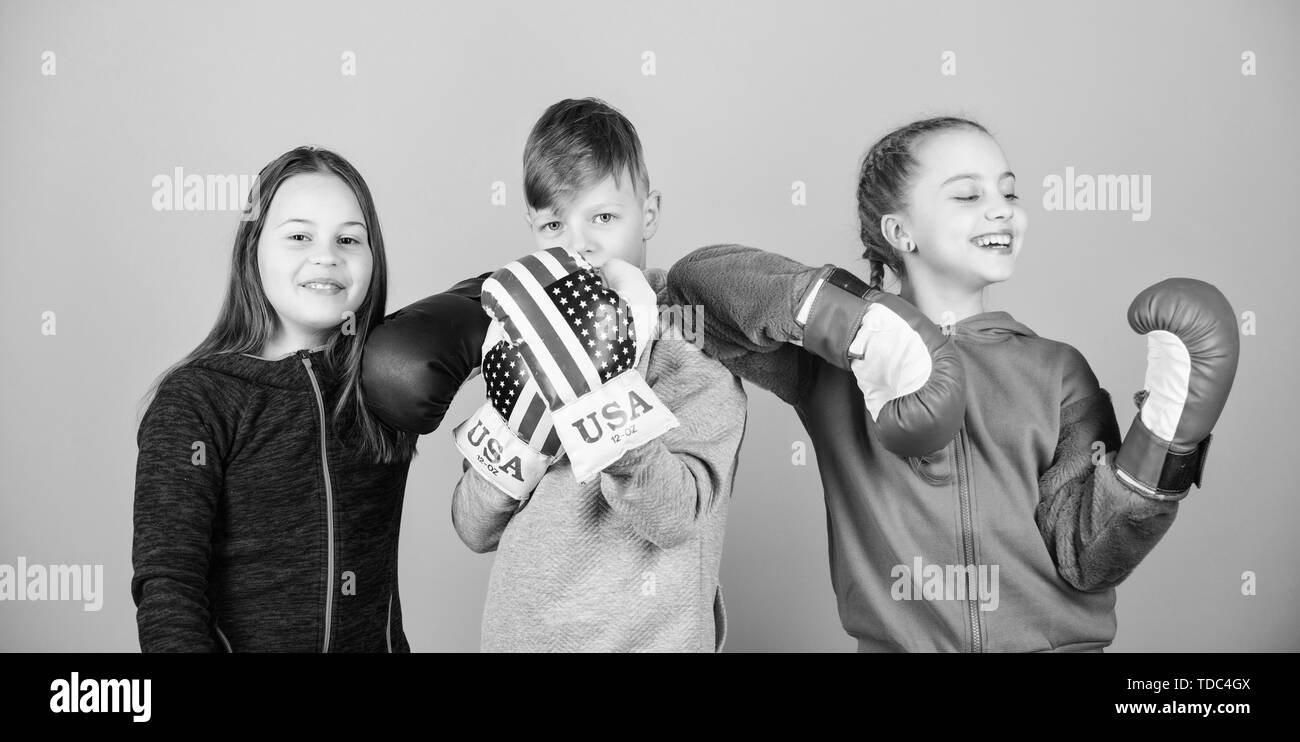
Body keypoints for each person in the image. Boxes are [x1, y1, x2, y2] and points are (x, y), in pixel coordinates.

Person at [667, 117, 1239, 652]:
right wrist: (862, 326)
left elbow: (1087, 559)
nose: (1001, 211)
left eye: (1009, 193)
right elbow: (695, 286)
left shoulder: (1059, 369)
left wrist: (1162, 447)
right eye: (968, 195)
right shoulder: (831, 366)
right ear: (900, 231)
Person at [132, 146, 485, 652]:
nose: (327, 256)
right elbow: (169, 585)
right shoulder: (197, 399)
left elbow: (504, 300)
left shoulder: (384, 379)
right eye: (299, 236)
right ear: (253, 247)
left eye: (349, 239)